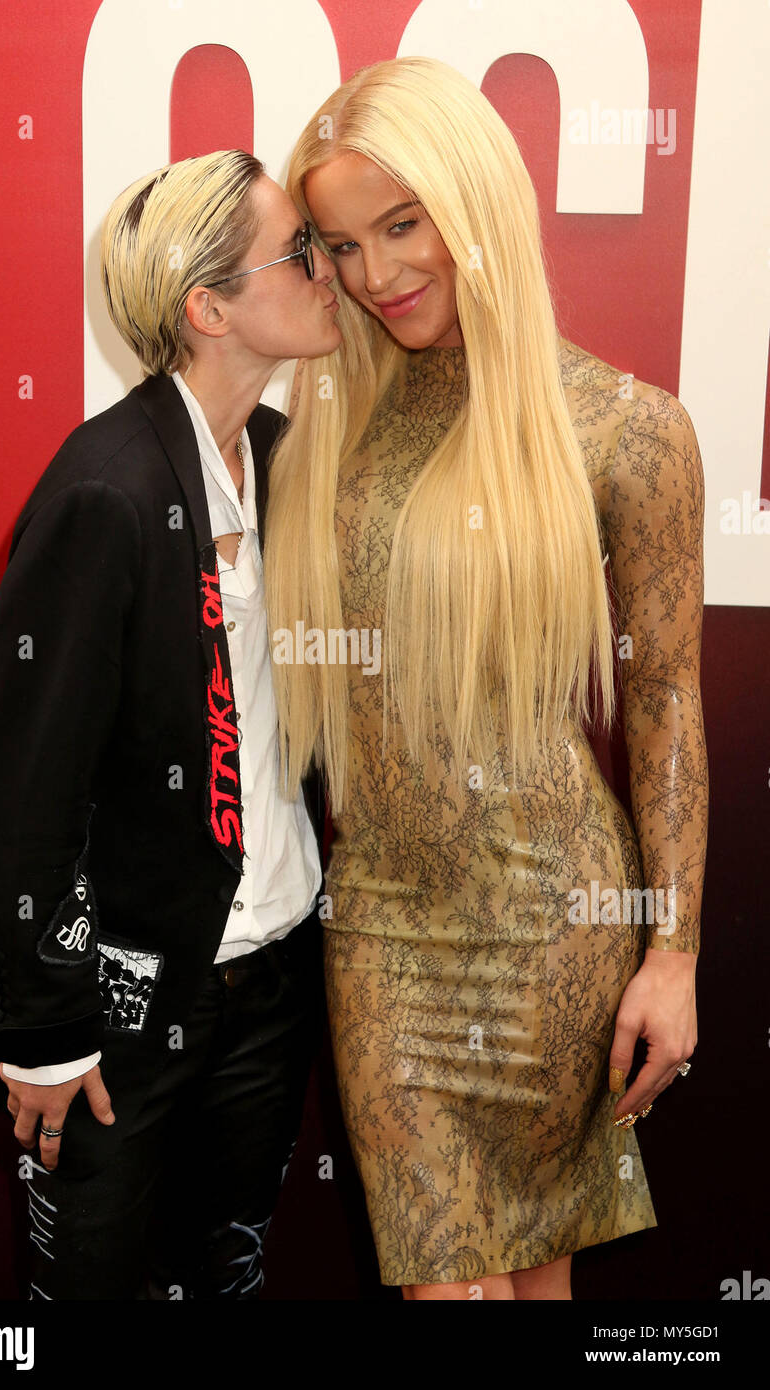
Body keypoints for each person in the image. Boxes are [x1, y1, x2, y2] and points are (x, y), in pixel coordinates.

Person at [263, 57, 707, 1301]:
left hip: (551, 921)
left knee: (533, 1279)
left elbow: (666, 700)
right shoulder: (323, 434)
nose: (377, 273)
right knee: (442, 1285)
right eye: (341, 244)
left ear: (476, 202)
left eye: (402, 225)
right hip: (384, 929)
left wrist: (668, 954)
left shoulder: (626, 430)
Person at [0, 149, 342, 1299]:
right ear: (208, 307)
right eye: (297, 253)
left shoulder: (277, 457)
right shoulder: (101, 489)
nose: (326, 272)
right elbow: (30, 788)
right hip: (125, 1001)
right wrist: (46, 1030)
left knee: (228, 1279)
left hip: (271, 975)